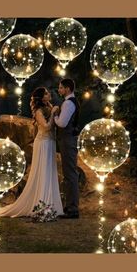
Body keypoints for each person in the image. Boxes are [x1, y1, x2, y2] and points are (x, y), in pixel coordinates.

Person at [0, 87, 63, 218]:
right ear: (41, 98)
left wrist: (54, 111)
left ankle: (51, 204)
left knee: (50, 171)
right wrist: (54, 113)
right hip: (43, 143)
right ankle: (42, 204)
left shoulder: (49, 107)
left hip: (50, 142)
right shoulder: (38, 111)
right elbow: (46, 127)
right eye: (46, 93)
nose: (49, 94)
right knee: (43, 171)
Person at [54, 78, 80, 219]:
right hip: (68, 139)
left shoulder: (69, 103)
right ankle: (70, 205)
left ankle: (73, 209)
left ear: (68, 89)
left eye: (61, 88)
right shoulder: (70, 102)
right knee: (69, 173)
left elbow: (62, 123)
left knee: (70, 174)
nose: (59, 90)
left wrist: (55, 115)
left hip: (68, 140)